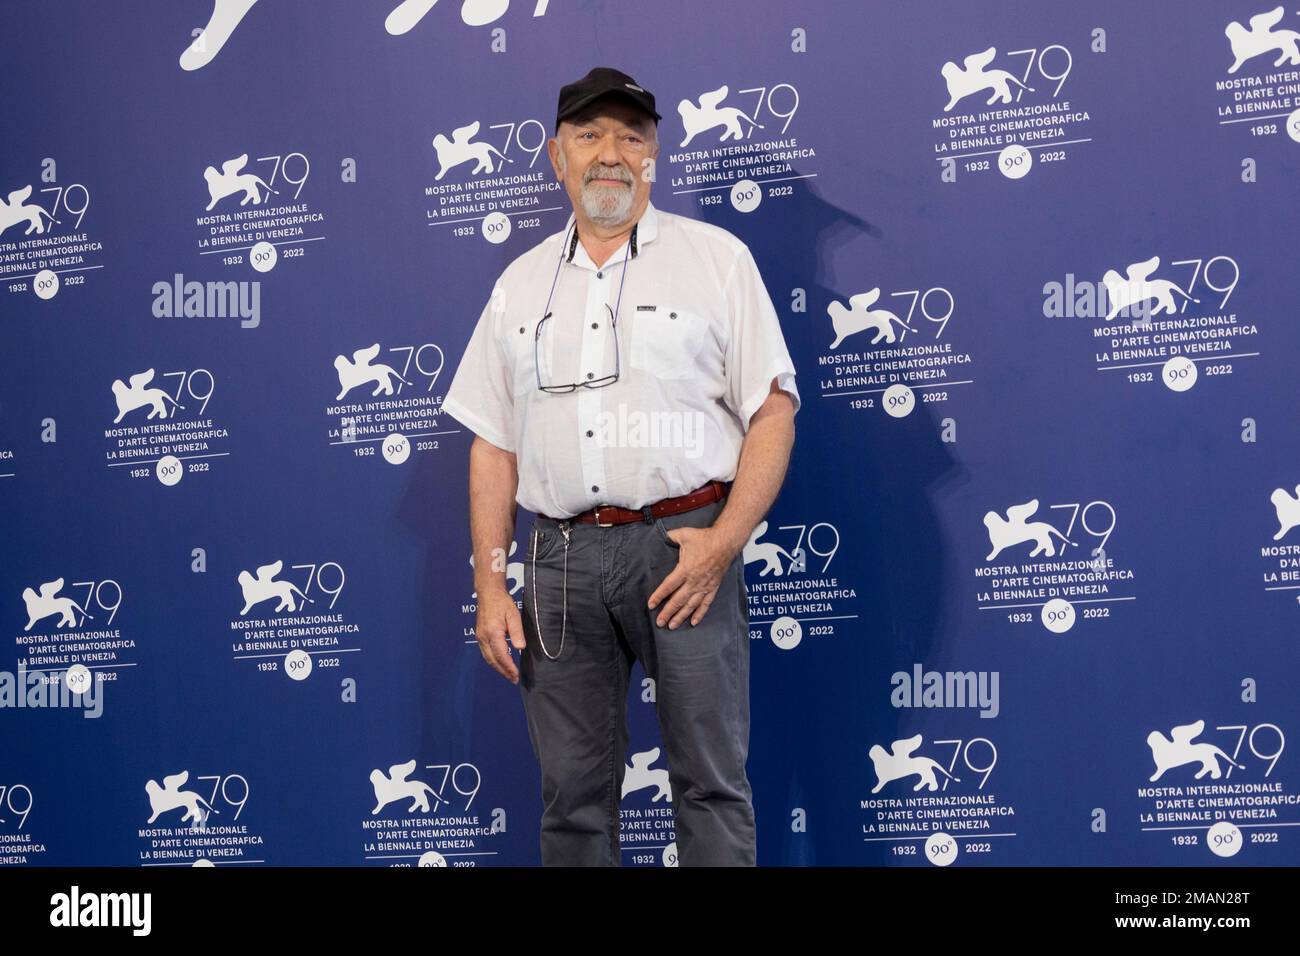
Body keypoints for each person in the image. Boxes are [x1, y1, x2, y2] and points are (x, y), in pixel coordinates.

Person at [440, 66, 800, 866]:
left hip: (686, 549)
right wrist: (492, 584)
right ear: (554, 156)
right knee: (571, 798)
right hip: (561, 561)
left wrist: (724, 540)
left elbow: (772, 411)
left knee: (710, 783)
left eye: (631, 138)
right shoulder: (518, 283)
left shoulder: (716, 260)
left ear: (654, 158)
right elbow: (493, 443)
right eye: (590, 136)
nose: (611, 154)